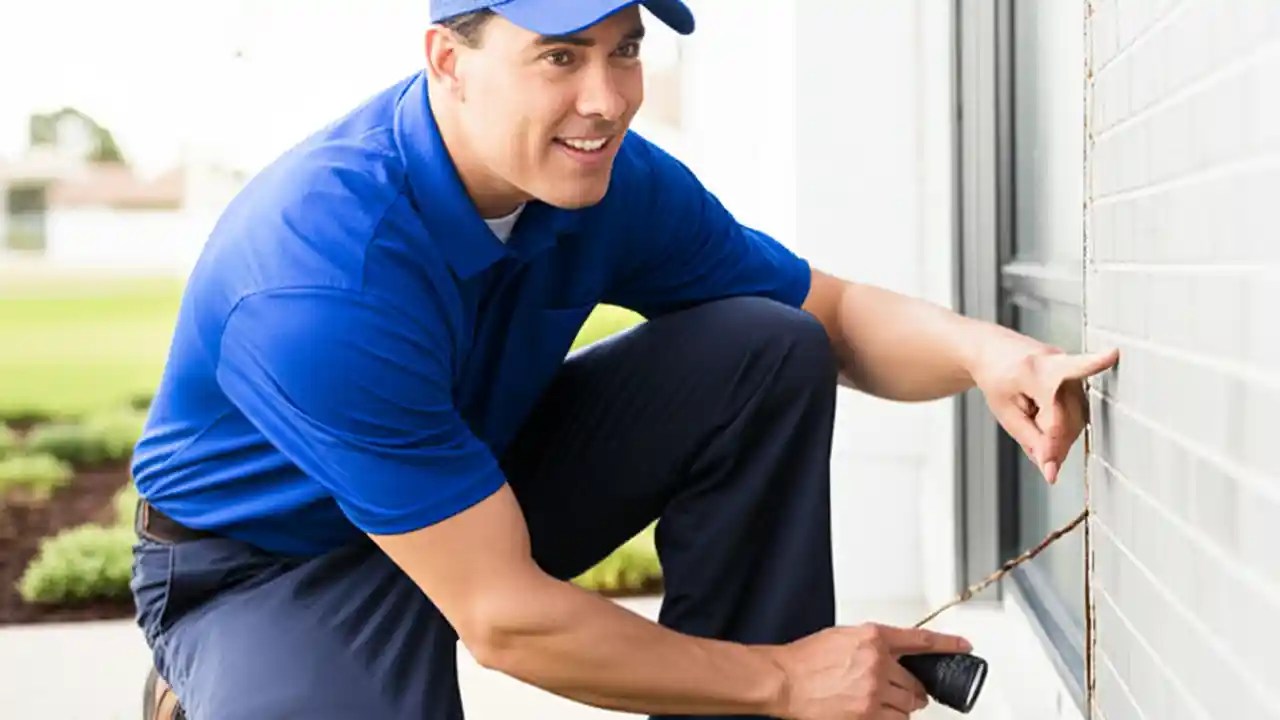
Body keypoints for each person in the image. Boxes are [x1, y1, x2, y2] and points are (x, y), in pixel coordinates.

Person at [131, 1, 1119, 718]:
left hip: (474, 496)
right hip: (269, 565)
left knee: (766, 343)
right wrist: (783, 679)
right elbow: (505, 621)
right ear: (447, 59)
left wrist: (988, 351)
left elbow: (835, 313)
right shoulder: (320, 273)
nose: (603, 100)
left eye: (625, 50)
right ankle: (214, 680)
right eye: (558, 57)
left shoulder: (603, 179)